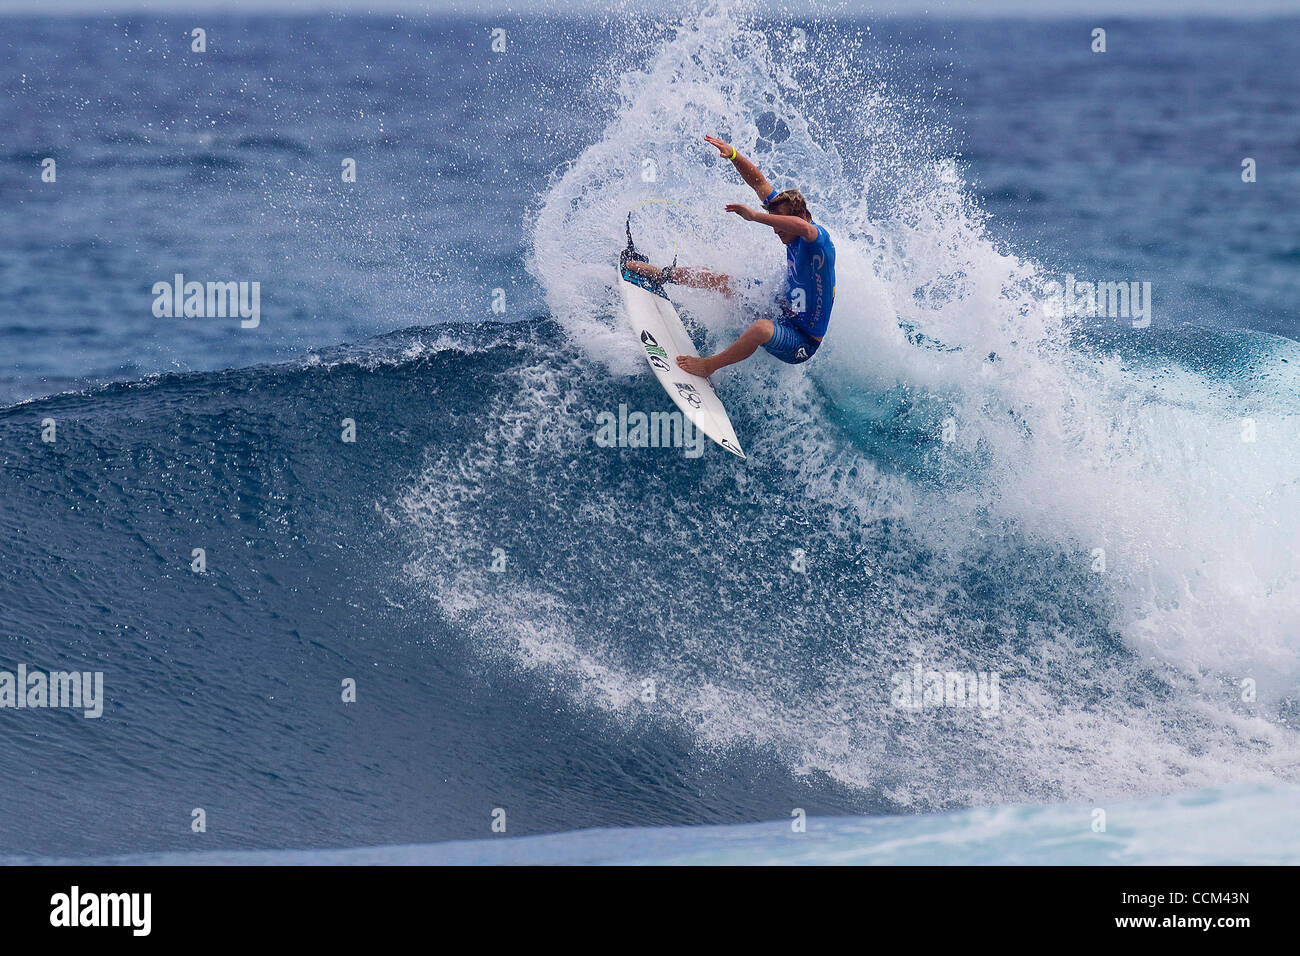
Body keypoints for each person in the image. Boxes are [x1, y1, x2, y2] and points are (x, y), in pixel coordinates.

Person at [624, 134, 836, 375]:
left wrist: (755, 217)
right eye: (776, 222)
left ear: (798, 217)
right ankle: (661, 275)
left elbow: (805, 228)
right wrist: (733, 155)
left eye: (782, 223)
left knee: (761, 329)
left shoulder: (818, 241)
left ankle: (708, 366)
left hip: (802, 339)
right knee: (722, 280)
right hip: (782, 306)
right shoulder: (791, 224)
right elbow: (760, 184)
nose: (777, 229)